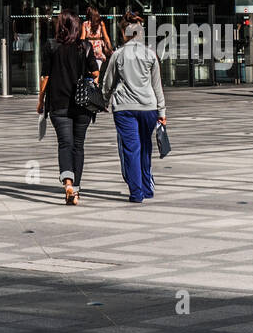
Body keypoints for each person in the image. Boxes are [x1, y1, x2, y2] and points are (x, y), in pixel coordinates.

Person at [102, 10, 167, 203]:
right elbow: (157, 86)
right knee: (145, 147)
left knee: (131, 148)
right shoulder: (150, 55)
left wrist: (105, 101)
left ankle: (136, 192)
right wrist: (162, 112)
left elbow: (108, 83)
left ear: (124, 33)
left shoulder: (118, 55)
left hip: (124, 108)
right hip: (149, 107)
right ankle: (147, 188)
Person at [37, 11, 99, 205]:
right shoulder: (85, 47)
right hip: (82, 105)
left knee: (65, 144)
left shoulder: (51, 46)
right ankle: (77, 191)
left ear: (60, 27)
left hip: (58, 104)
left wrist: (40, 100)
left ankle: (68, 184)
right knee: (78, 146)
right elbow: (95, 72)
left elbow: (45, 76)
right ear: (76, 27)